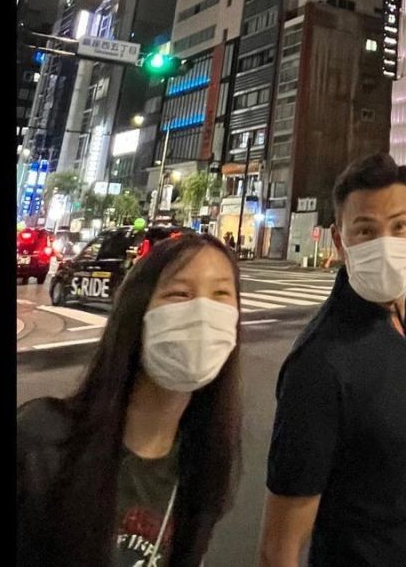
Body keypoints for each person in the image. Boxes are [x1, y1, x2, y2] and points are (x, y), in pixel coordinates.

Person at [259, 153, 406, 567]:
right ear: (340, 242)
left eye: (400, 226)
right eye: (366, 230)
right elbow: (279, 548)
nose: (386, 244)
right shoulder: (319, 362)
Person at [17, 233, 242, 567]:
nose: (202, 312)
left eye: (221, 294)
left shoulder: (203, 466)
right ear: (137, 313)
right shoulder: (42, 442)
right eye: (180, 293)